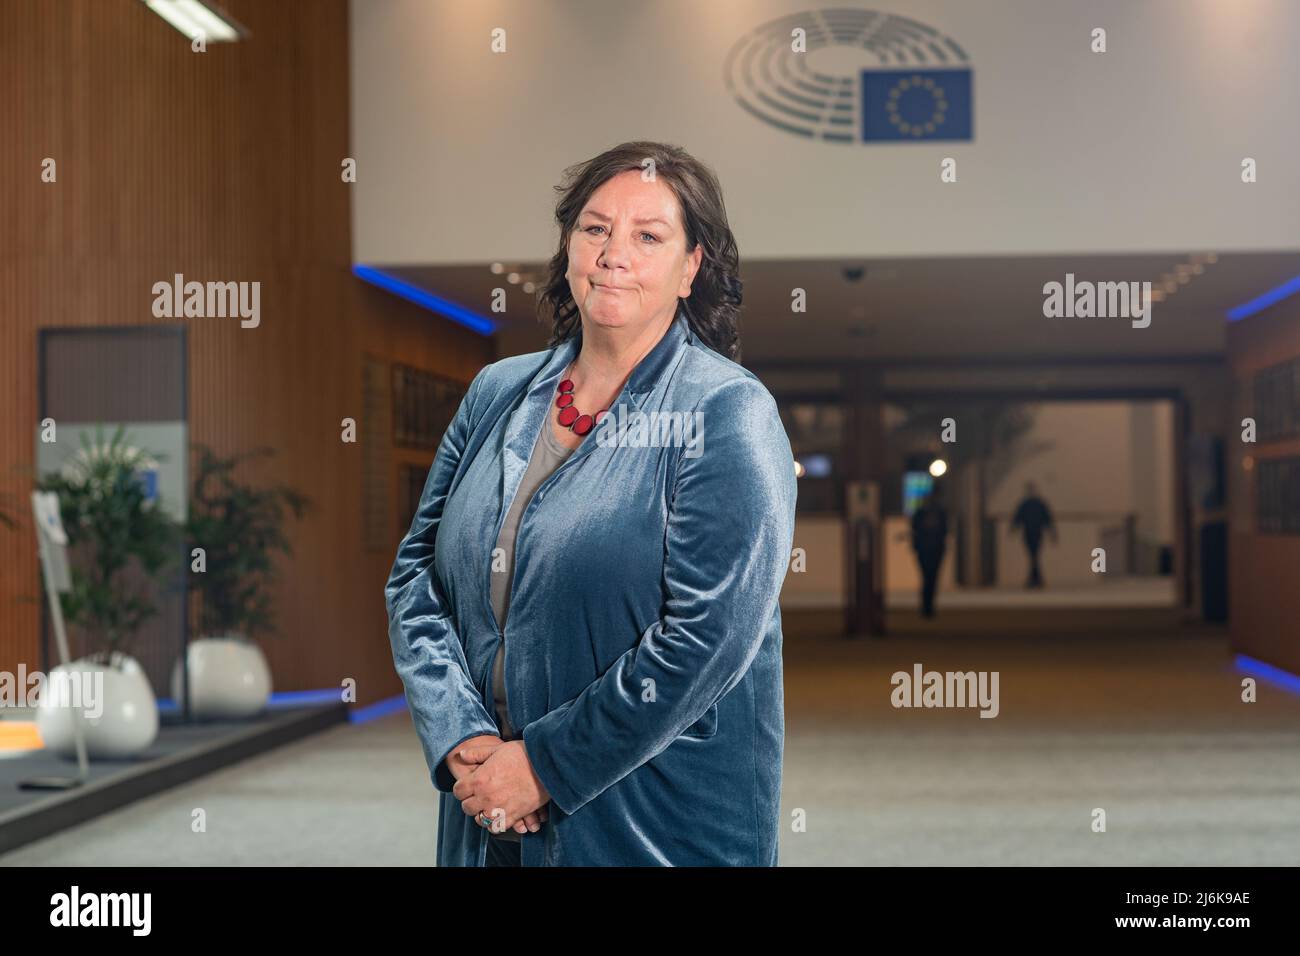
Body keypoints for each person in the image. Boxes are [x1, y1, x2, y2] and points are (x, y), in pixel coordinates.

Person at [384, 142, 797, 867]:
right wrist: (462, 736)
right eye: (595, 228)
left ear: (691, 267)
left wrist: (543, 766)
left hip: (652, 823)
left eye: (648, 236)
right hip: (488, 808)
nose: (614, 254)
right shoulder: (496, 393)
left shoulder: (728, 411)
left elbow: (704, 642)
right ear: (569, 247)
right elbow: (416, 575)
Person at [1010, 481, 1057, 588]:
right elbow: (1048, 519)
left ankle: (1034, 579)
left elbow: (1017, 518)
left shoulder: (1026, 504)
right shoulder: (1038, 504)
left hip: (1030, 533)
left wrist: (1013, 530)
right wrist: (1052, 534)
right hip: (1035, 533)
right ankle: (1036, 579)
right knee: (1034, 556)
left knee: (1033, 556)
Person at [910, 491, 948, 618]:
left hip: (933, 549)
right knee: (928, 578)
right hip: (926, 549)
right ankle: (927, 607)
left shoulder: (937, 513)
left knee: (931, 578)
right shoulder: (922, 514)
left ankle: (928, 607)